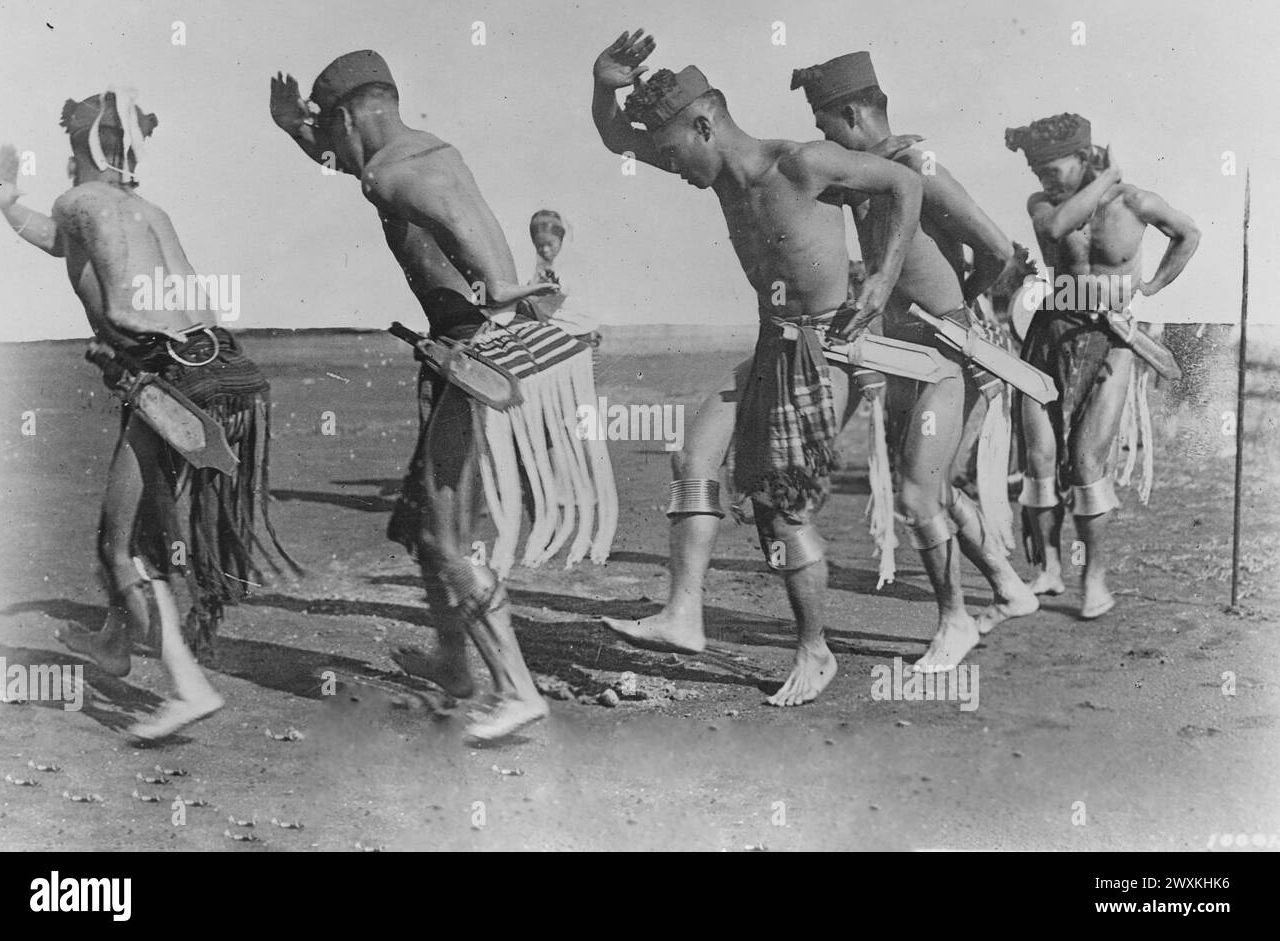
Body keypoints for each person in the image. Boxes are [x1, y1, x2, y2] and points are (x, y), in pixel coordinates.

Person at [591, 30, 938, 703]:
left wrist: (881, 280)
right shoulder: (718, 173)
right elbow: (616, 139)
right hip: (772, 342)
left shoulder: (802, 164)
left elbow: (902, 183)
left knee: (781, 513)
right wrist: (605, 86)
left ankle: (815, 651)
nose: (674, 169)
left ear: (703, 124)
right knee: (695, 456)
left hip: (824, 352)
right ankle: (683, 615)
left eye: (673, 153)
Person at [271, 50, 596, 739]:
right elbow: (378, 173)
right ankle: (454, 662)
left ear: (351, 113)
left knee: (449, 541)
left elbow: (438, 206)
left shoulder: (389, 174)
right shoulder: (425, 148)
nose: (332, 144)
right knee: (428, 527)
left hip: (475, 355)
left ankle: (515, 689)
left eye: (331, 127)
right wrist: (292, 131)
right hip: (484, 349)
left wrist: (498, 280)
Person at [0, 89, 293, 739]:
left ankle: (187, 687)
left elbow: (124, 301)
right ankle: (110, 644)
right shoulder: (145, 207)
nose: (68, 172)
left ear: (86, 152)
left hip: (164, 381)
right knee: (139, 526)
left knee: (116, 541)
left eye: (73, 156)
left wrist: (117, 344)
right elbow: (88, 253)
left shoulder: (79, 200)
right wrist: (9, 205)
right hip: (221, 371)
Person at [793, 52, 1040, 651]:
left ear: (850, 112)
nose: (822, 136)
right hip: (904, 354)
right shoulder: (873, 172)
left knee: (915, 494)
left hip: (950, 354)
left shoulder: (921, 166)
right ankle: (1009, 587)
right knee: (934, 487)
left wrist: (957, 308)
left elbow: (997, 250)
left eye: (826, 123)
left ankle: (954, 622)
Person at [1006, 113, 1199, 617]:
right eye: (1038, 171)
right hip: (1050, 332)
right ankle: (1047, 567)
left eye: (1053, 169)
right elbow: (1056, 226)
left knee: (1087, 460)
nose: (1044, 180)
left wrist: (1153, 286)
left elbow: (1188, 234)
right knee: (1040, 459)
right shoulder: (1045, 205)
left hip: (1110, 338)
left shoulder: (1136, 202)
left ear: (1084, 156)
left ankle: (1094, 579)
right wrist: (1108, 176)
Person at [525, 209, 602, 348]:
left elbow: (560, 288)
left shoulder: (570, 262)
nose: (545, 250)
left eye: (550, 244)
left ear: (561, 240)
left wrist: (535, 289)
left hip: (576, 329)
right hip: (557, 326)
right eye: (539, 245)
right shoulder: (544, 262)